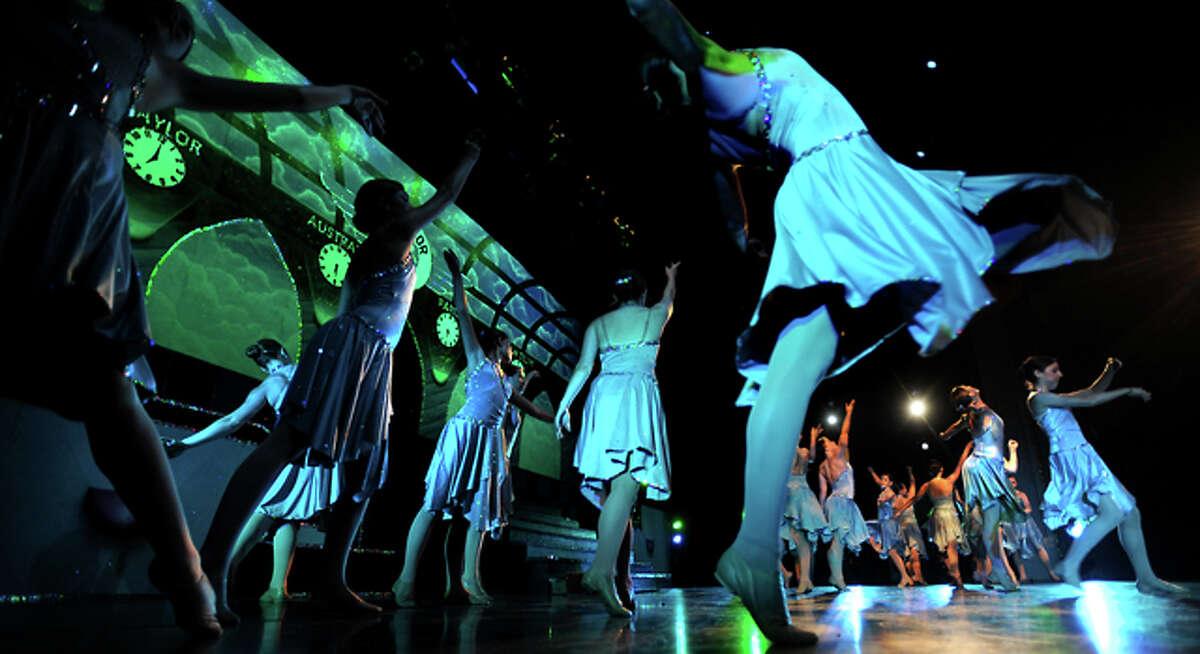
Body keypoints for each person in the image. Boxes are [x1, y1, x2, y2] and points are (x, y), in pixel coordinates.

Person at [623, 0, 1117, 644]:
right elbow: (658, 15)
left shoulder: (711, 116)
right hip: (835, 178)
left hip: (837, 180)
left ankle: (750, 551)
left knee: (798, 362)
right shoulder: (708, 65)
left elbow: (733, 214)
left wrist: (751, 240)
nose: (663, 90)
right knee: (808, 352)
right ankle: (750, 551)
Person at [0, 1, 385, 638]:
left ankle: (186, 569)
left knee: (106, 389)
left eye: (186, 26)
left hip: (72, 203)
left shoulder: (154, 74)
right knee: (105, 392)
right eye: (174, 16)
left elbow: (276, 98)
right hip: (33, 180)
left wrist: (342, 92)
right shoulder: (68, 23)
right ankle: (189, 571)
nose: (182, 24)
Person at [199, 137, 481, 624]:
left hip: (369, 353)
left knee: (365, 467)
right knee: (288, 443)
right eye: (400, 198)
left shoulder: (379, 250)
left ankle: (332, 580)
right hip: (358, 347)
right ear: (385, 208)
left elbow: (350, 307)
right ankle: (211, 567)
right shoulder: (392, 236)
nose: (409, 205)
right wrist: (470, 155)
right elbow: (446, 198)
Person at [393, 251, 554, 606]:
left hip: (489, 445)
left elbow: (529, 408)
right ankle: (405, 580)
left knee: (479, 513)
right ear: (499, 344)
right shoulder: (479, 360)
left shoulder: (507, 383)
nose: (513, 350)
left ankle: (470, 580)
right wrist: (457, 276)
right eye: (510, 344)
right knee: (432, 504)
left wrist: (558, 418)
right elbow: (463, 313)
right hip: (465, 434)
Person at [165, 339, 341, 603]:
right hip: (319, 454)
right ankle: (268, 585)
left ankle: (230, 576)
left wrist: (185, 444)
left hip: (291, 453)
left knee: (273, 510)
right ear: (282, 351)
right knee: (285, 514)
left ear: (261, 366)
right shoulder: (313, 370)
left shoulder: (270, 384)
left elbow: (232, 421)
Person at [556, 263, 679, 617]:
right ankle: (600, 570)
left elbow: (582, 368)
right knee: (625, 490)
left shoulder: (598, 324)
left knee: (617, 493)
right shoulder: (654, 314)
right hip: (634, 395)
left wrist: (565, 406)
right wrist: (670, 278)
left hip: (604, 397)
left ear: (614, 295)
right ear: (642, 293)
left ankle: (607, 577)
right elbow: (669, 300)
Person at [1021, 356, 1181, 594]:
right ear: (1037, 374)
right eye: (1054, 370)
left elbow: (1090, 392)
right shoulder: (1037, 399)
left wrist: (1110, 370)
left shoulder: (1053, 398)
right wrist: (1127, 391)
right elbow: (1091, 401)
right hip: (1072, 458)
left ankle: (1146, 579)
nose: (1060, 374)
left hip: (1085, 454)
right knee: (1113, 513)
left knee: (1130, 514)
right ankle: (1070, 564)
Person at [938, 386, 1024, 590]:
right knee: (991, 522)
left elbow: (949, 433)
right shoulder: (975, 411)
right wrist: (959, 419)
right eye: (967, 388)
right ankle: (998, 571)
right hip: (982, 466)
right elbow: (960, 422)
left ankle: (996, 570)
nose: (971, 386)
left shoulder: (979, 410)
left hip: (990, 465)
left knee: (993, 522)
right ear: (969, 397)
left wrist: (946, 433)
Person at [893, 445, 973, 588]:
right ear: (941, 469)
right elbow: (960, 464)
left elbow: (913, 500)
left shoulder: (928, 485)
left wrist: (899, 511)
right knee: (952, 547)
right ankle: (957, 577)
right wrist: (967, 448)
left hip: (937, 516)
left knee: (945, 549)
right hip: (949, 515)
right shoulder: (949, 480)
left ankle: (954, 575)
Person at [817, 400, 871, 592]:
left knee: (838, 541)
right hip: (841, 502)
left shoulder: (822, 467)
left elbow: (823, 493)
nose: (832, 442)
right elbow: (845, 433)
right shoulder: (838, 456)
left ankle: (837, 576)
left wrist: (822, 513)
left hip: (836, 502)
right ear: (831, 448)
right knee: (838, 541)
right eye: (829, 442)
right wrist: (849, 412)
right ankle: (837, 577)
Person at [780, 426, 831, 593]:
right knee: (802, 541)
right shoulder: (802, 451)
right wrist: (813, 437)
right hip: (802, 492)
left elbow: (797, 462)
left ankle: (804, 579)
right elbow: (813, 456)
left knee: (800, 539)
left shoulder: (793, 451)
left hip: (794, 494)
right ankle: (805, 579)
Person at [1000, 473, 1061, 583]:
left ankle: (1051, 572)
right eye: (1009, 482)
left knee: (1038, 546)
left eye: (1013, 482)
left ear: (1016, 483)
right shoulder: (1004, 497)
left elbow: (1028, 508)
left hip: (1025, 523)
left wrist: (1021, 513)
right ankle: (1023, 576)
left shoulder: (1021, 495)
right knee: (1016, 550)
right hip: (1012, 525)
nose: (1012, 485)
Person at [866, 465, 915, 587]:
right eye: (882, 480)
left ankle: (905, 576)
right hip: (883, 523)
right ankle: (905, 576)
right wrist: (872, 472)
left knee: (892, 551)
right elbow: (878, 482)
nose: (882, 481)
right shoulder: (883, 490)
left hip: (889, 524)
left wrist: (881, 501)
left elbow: (888, 498)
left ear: (890, 483)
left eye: (885, 480)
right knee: (867, 530)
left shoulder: (890, 492)